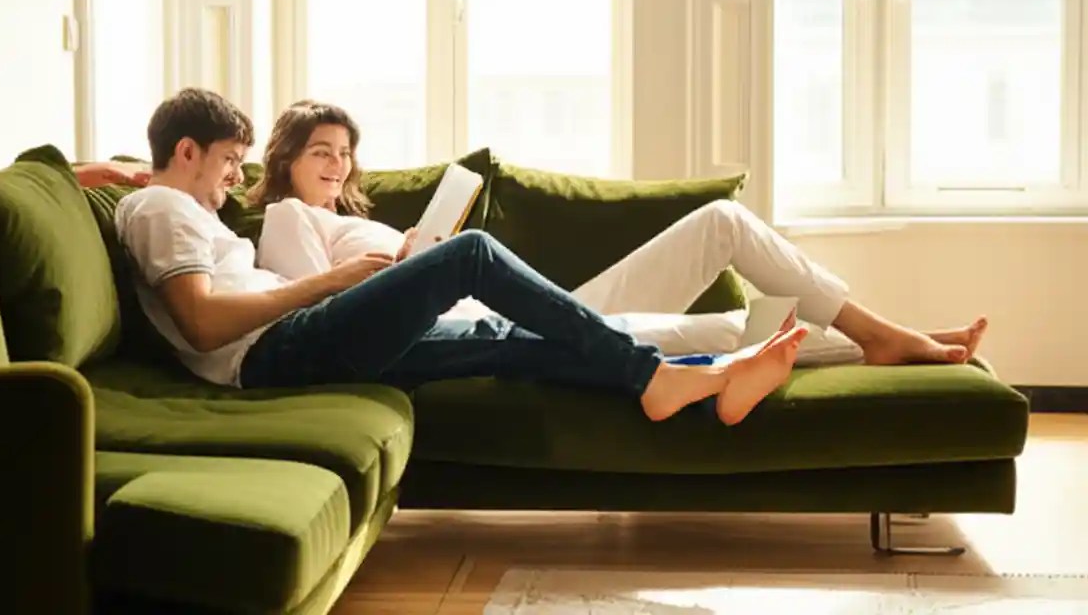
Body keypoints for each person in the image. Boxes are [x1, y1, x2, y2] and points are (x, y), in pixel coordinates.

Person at [113, 87, 811, 427]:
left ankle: (707, 383)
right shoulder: (162, 208)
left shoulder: (162, 203)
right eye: (228, 161)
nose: (234, 177)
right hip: (274, 354)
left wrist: (104, 171)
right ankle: (658, 375)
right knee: (471, 254)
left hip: (285, 349)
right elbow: (203, 322)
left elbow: (136, 192)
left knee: (507, 340)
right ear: (186, 152)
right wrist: (333, 282)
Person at [247, 99, 989, 368]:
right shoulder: (286, 217)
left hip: (542, 310)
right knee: (733, 328)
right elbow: (317, 313)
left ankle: (885, 336)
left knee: (724, 231)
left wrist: (414, 252)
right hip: (512, 333)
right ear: (284, 160)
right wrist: (403, 267)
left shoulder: (354, 220)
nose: (337, 164)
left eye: (343, 153)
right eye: (320, 152)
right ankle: (887, 341)